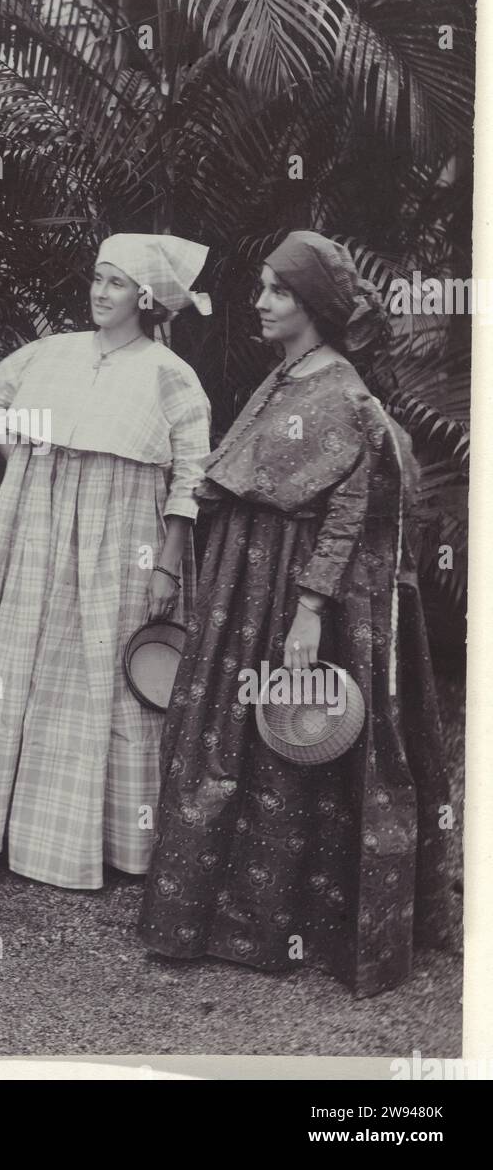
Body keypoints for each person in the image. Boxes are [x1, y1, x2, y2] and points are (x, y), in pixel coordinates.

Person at [138, 230, 453, 997]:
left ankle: (294, 916)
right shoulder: (284, 379)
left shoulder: (344, 395)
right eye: (262, 288)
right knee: (231, 735)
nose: (260, 302)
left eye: (277, 291)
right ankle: (223, 914)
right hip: (249, 575)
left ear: (311, 304)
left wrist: (309, 610)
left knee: (300, 737)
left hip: (296, 583)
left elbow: (347, 513)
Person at [0, 234, 212, 890]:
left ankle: (108, 841)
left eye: (114, 283)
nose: (99, 292)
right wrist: (25, 467)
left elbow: (190, 476)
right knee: (13, 662)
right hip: (36, 536)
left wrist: (166, 565)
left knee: (104, 676)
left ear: (144, 296)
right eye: (96, 279)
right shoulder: (50, 354)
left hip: (122, 541)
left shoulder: (170, 376)